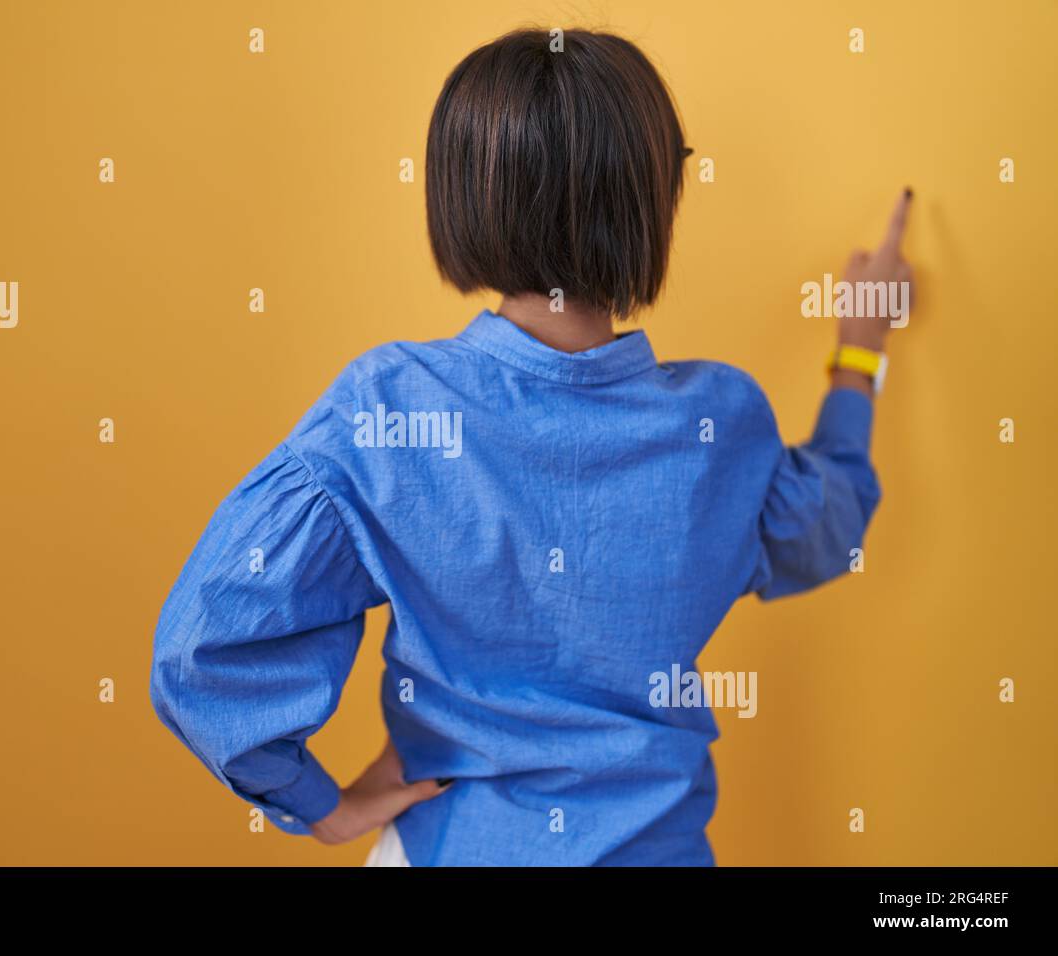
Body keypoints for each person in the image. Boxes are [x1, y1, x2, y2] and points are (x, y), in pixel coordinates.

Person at [149, 28, 912, 866]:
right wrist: (858, 353)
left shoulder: (386, 411)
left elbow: (205, 650)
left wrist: (317, 804)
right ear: (657, 200)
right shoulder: (719, 425)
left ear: (458, 196)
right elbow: (832, 528)